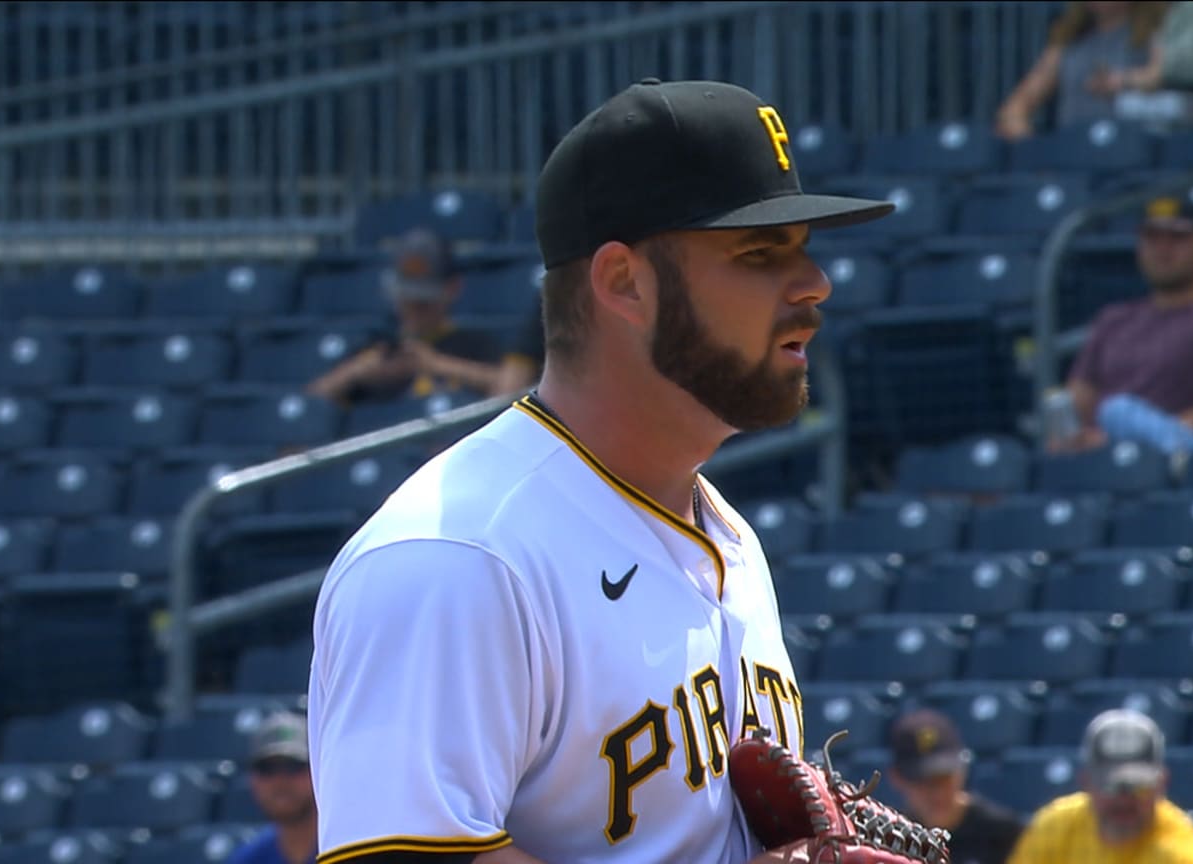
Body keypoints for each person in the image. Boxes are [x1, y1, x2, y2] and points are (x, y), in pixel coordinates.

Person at [306, 77, 895, 864]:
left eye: (803, 250)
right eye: (760, 253)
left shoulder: (729, 536)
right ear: (623, 282)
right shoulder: (458, 559)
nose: (813, 283)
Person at [1048, 195, 1193, 455]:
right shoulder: (1112, 319)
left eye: (1177, 238)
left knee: (1120, 411)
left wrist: (1126, 440)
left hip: (1178, 461)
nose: (1163, 248)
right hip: (1106, 461)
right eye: (1153, 238)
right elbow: (1076, 407)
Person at [305, 228, 509, 406]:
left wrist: (436, 365)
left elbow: (512, 388)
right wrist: (359, 371)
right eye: (406, 299)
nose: (413, 309)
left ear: (452, 289)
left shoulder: (474, 344)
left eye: (423, 302)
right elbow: (310, 404)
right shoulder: (380, 347)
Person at [1007, 709, 1193, 864]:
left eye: (1137, 785)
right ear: (1086, 782)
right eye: (1111, 785)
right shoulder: (1055, 827)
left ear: (1161, 784)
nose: (1124, 800)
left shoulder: (1183, 856)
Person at [994, 2, 1169, 139]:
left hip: (1132, 151)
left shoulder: (1155, 31)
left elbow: (1162, 74)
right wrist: (1035, 150)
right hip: (1074, 156)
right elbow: (1014, 109)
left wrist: (1124, 81)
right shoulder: (1068, 41)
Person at [885, 709, 1025, 864]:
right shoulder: (886, 839)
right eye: (923, 781)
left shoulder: (1003, 835)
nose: (937, 792)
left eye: (944, 778)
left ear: (963, 770)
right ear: (897, 778)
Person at [228, 712, 318, 864]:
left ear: (318, 771)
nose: (280, 781)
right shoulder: (248, 860)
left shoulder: (346, 848)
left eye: (293, 767)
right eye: (267, 769)